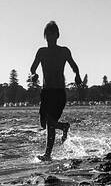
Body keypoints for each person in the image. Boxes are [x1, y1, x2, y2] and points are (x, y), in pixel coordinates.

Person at [29, 21, 80, 160]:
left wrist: (77, 75)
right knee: (44, 123)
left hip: (59, 92)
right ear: (45, 36)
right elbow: (33, 68)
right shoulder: (42, 52)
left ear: (58, 35)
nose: (51, 37)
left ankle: (47, 155)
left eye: (53, 34)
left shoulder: (64, 51)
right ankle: (63, 126)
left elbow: (74, 66)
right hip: (46, 92)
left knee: (50, 122)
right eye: (48, 34)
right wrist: (34, 75)